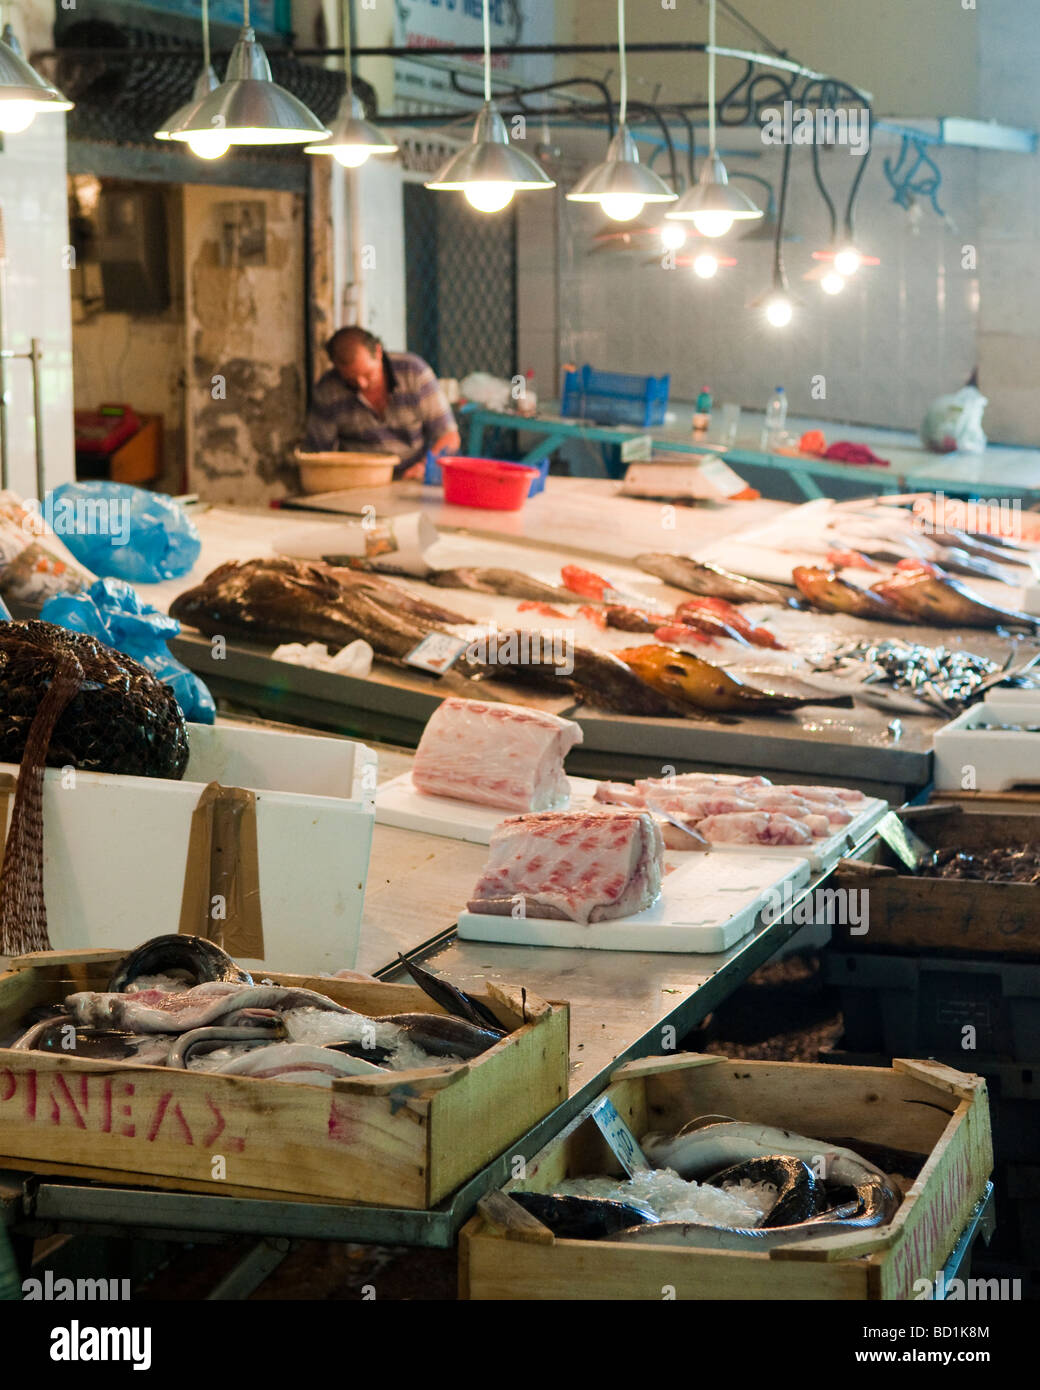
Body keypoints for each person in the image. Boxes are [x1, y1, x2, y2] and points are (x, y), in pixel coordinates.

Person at [302, 327, 460, 480]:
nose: (362, 384)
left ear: (378, 352)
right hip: (361, 483)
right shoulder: (328, 390)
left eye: (368, 374)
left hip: (413, 479)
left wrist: (424, 468)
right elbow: (316, 453)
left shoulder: (413, 372)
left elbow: (449, 436)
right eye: (350, 379)